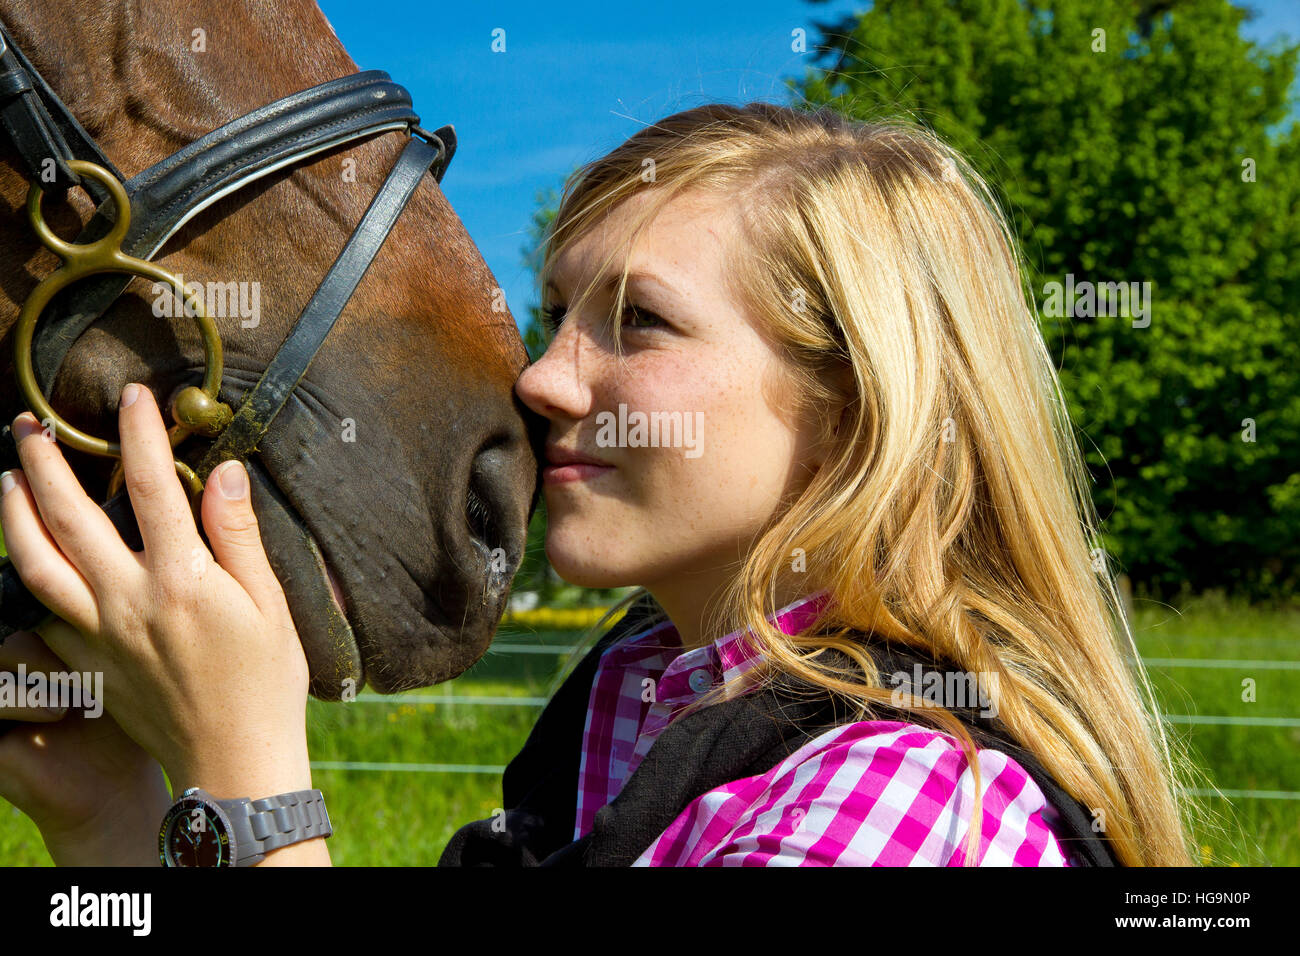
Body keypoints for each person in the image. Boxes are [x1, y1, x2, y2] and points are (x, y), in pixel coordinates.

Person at [0, 102, 1196, 866]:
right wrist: (112, 823)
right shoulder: (641, 704)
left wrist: (249, 781)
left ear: (858, 400)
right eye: (559, 314)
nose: (544, 380)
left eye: (642, 323)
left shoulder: (894, 807)